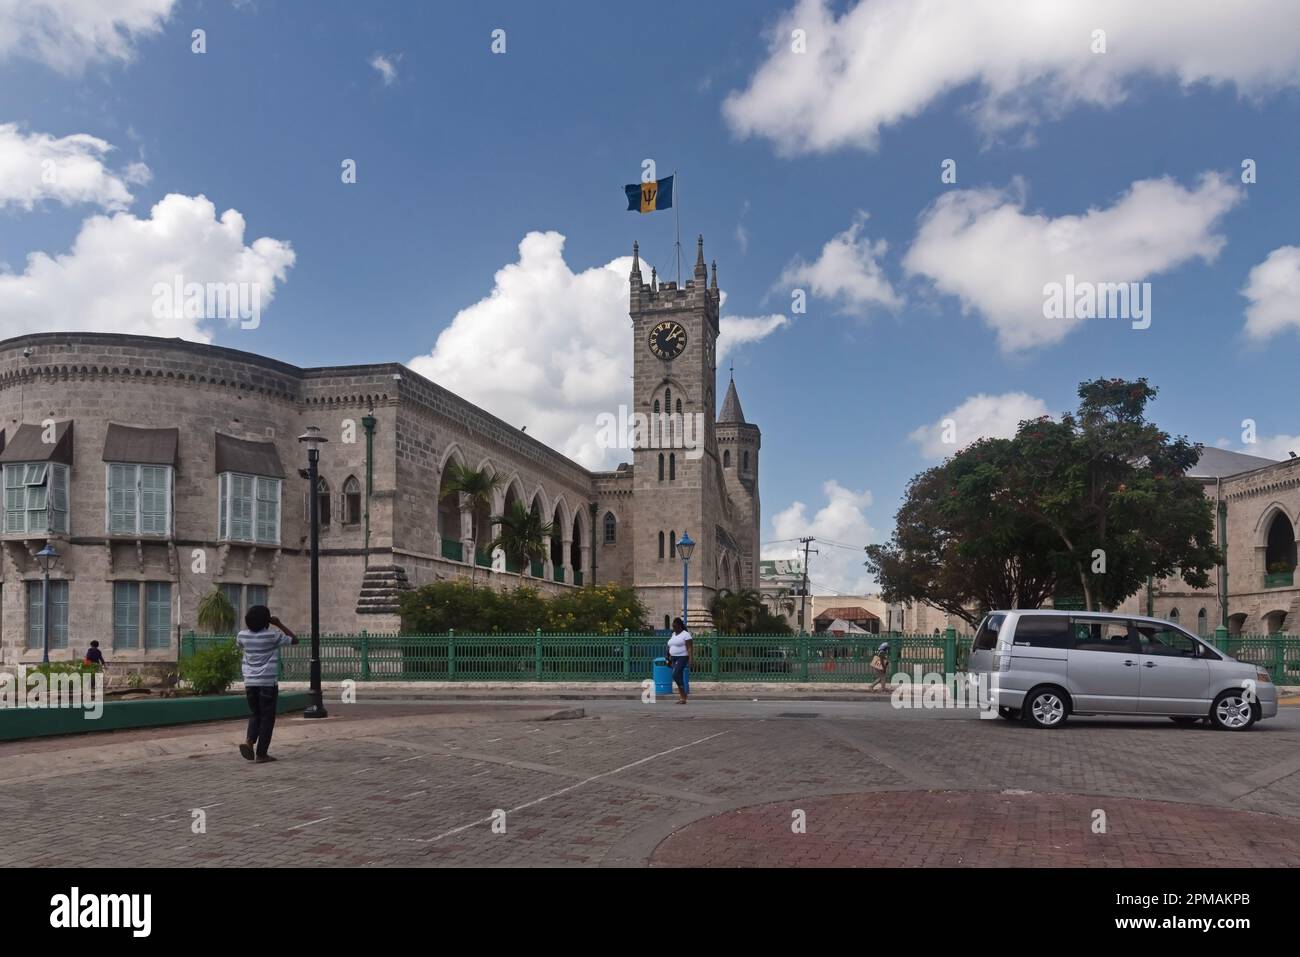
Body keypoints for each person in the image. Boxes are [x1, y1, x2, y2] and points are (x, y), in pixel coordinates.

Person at [236, 605, 297, 763]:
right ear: (267, 620)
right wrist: (279, 624)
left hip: (249, 682)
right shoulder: (272, 635)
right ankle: (262, 754)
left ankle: (249, 741)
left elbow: (240, 645)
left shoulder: (242, 635)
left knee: (255, 713)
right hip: (267, 683)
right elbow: (294, 640)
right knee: (267, 718)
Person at [666, 617, 693, 704]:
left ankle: (683, 694)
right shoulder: (673, 634)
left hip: (682, 657)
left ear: (679, 626)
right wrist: (667, 657)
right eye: (673, 626)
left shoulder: (686, 635)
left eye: (675, 626)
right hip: (673, 658)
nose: (673, 628)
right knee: (678, 677)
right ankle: (682, 698)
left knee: (675, 674)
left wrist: (690, 659)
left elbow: (690, 648)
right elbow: (670, 646)